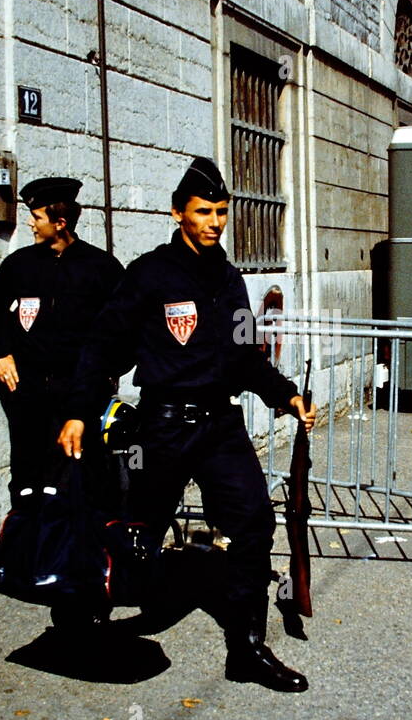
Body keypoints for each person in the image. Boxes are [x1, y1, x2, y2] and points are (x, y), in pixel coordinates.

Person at [58, 157, 316, 692]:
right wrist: (79, 413)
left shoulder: (229, 279)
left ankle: (246, 650)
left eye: (221, 211)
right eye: (203, 211)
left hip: (220, 426)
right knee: (135, 532)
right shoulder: (150, 274)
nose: (215, 221)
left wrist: (286, 393)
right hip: (163, 426)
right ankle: (86, 621)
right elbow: (103, 349)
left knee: (253, 527)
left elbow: (246, 359)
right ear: (178, 213)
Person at [0, 178, 123, 504]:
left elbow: (128, 330)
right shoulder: (20, 265)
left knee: (79, 483)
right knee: (27, 485)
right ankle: (28, 550)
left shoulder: (101, 268)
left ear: (60, 222)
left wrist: (106, 375)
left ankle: (80, 552)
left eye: (36, 216)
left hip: (78, 400)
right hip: (28, 399)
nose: (29, 223)